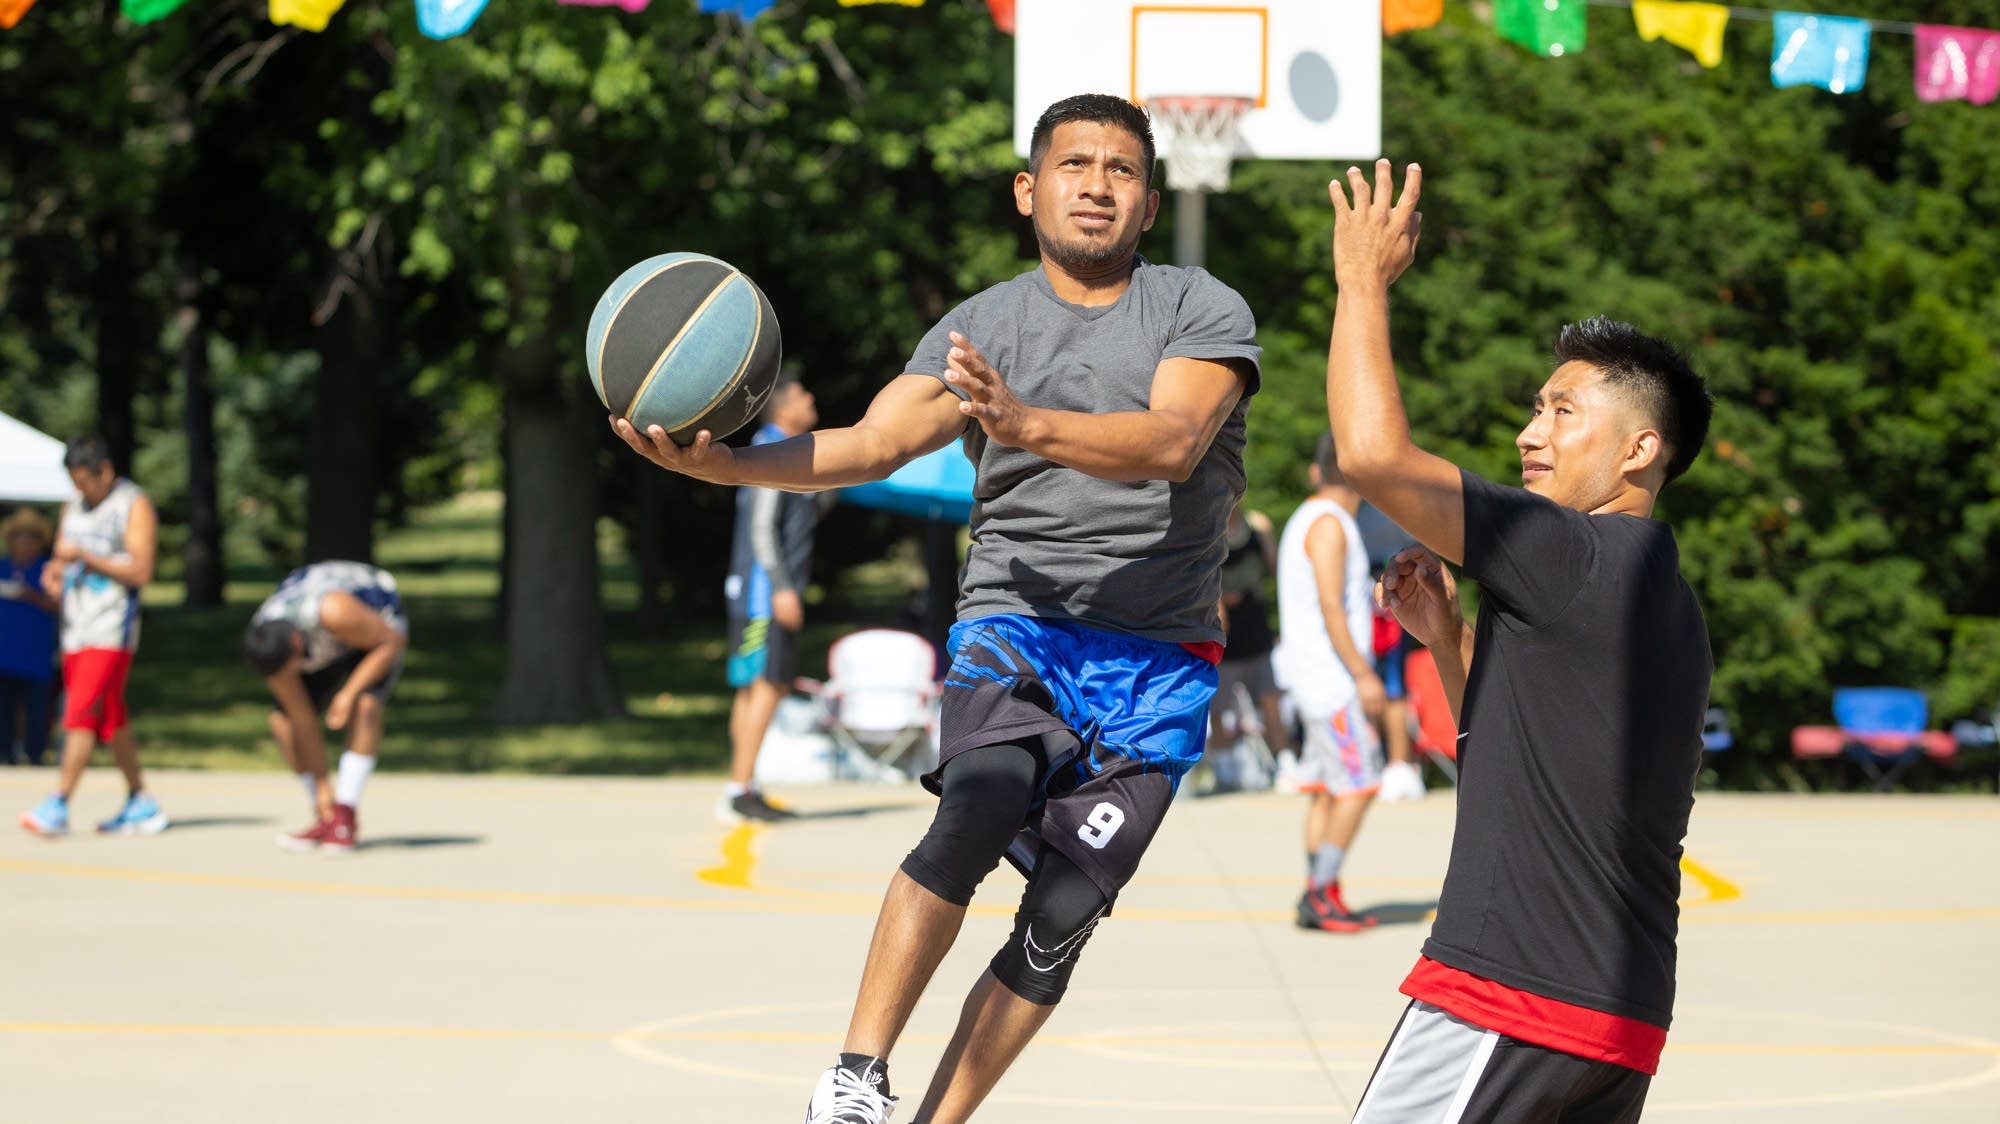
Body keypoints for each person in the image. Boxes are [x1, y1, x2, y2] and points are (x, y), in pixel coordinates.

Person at [614, 94, 1259, 1124]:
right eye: (1072, 163)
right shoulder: (980, 325)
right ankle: (854, 1078)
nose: (1095, 184)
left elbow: (1172, 441)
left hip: (1159, 659)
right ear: (1027, 189)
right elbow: (869, 444)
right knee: (981, 796)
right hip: (1018, 620)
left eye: (1121, 171)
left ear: (1146, 204)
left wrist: (1022, 420)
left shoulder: (1198, 308)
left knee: (1057, 920)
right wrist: (725, 464)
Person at [1327, 161, 1713, 1121]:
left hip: (1510, 990)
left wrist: (1363, 280)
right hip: (1620, 1018)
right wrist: (1449, 642)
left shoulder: (1570, 551)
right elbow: (1521, 764)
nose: (1529, 433)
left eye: (1562, 412)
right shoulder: (1672, 602)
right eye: (1536, 408)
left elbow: (1373, 456)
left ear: (1638, 450)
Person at [20, 436, 165, 837]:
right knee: (109, 715)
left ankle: (59, 802)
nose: (80, 489)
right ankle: (141, 800)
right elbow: (62, 557)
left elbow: (140, 571)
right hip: (76, 626)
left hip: (111, 626)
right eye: (74, 481)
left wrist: (86, 558)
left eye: (86, 480)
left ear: (106, 471)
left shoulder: (132, 504)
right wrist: (54, 571)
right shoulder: (74, 506)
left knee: (80, 710)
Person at [1274, 434, 1386, 933]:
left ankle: (1317, 890)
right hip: (1331, 682)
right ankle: (1321, 891)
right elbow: (1331, 606)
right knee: (1361, 784)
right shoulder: (1329, 524)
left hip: (1314, 677)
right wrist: (1363, 676)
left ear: (1318, 471)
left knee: (1329, 790)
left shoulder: (1312, 517)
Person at [242, 560, 408, 855]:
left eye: (291, 667)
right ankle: (327, 814)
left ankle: (345, 814)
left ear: (296, 642)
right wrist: (321, 787)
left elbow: (390, 642)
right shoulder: (269, 645)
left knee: (365, 706)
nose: (290, 676)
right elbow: (302, 718)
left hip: (374, 629)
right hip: (323, 641)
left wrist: (348, 693)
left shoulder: (333, 610)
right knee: (282, 721)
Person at [721, 378, 823, 823]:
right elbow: (763, 528)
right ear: (783, 409)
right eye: (804, 395)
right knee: (767, 684)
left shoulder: (776, 449)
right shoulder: (773, 450)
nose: (812, 400)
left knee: (754, 687)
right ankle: (739, 790)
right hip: (764, 594)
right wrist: (782, 587)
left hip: (752, 592)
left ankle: (744, 784)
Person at [1209, 499, 1287, 790]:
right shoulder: (1209, 527)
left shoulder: (1257, 526)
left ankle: (1283, 762)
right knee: (1217, 708)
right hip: (1224, 633)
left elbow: (1275, 569)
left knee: (1270, 700)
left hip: (1256, 626)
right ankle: (1223, 770)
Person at [1355, 501, 1425, 802]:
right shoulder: (1350, 502)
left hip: (1386, 594)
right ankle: (1382, 761)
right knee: (1368, 684)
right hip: (1358, 600)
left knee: (1394, 685)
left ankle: (1401, 764)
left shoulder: (1387, 495)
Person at [0, 507, 60, 766]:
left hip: (36, 653)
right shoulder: (2, 567)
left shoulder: (47, 569)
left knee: (36, 710)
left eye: (31, 537)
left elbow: (59, 604)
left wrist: (29, 595)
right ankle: (5, 754)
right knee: (4, 711)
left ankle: (35, 753)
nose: (25, 543)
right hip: (4, 654)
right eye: (20, 537)